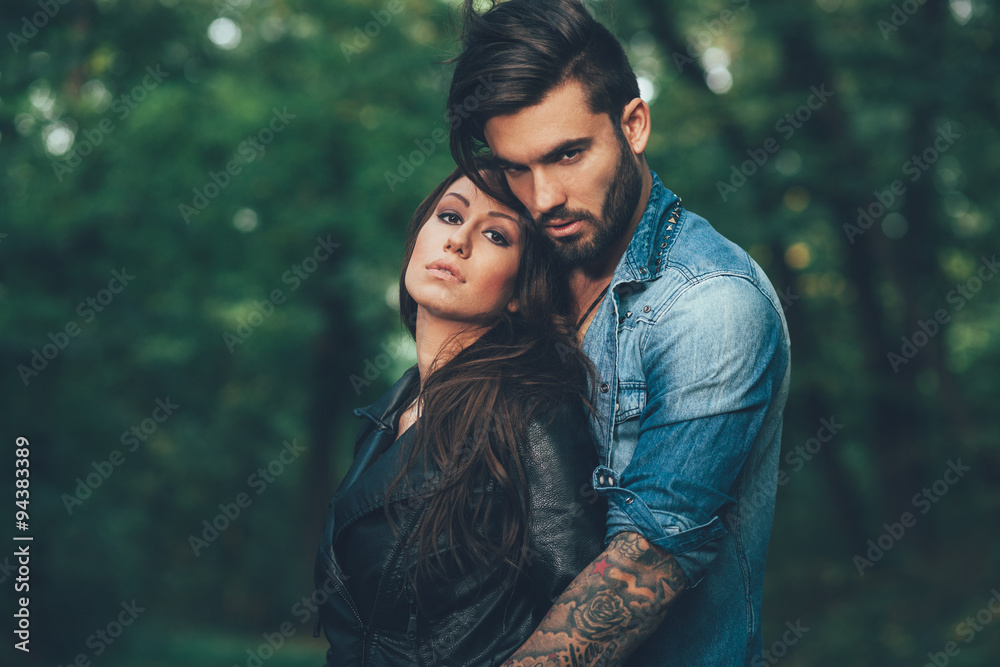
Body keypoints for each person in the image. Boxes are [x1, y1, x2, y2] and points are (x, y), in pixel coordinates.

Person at [446, 1, 792, 665]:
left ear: (634, 124)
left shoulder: (710, 306)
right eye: (516, 166)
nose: (542, 197)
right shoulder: (524, 269)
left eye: (568, 154)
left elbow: (643, 569)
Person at [313, 164, 607, 666]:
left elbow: (587, 616)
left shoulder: (531, 414)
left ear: (518, 291)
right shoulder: (386, 414)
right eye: (450, 216)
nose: (458, 242)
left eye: (495, 234)